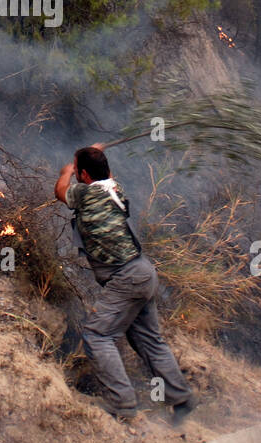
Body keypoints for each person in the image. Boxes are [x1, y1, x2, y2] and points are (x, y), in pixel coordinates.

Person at [54, 144, 197, 426]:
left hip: (126, 278)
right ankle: (181, 398)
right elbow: (103, 173)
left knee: (97, 335)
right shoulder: (115, 189)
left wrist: (66, 171)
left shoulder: (85, 192)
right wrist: (92, 155)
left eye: (78, 170)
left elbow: (60, 192)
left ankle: (123, 404)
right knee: (148, 339)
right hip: (143, 271)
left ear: (83, 175)